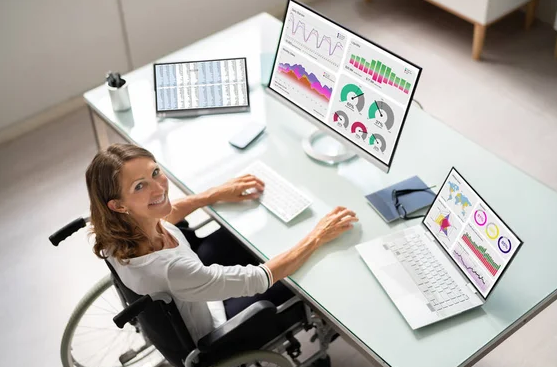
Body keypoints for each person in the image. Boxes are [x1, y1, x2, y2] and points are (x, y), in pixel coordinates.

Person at [85, 143, 358, 342]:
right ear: (118, 204)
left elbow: (167, 213)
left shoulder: (113, 231)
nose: (159, 188)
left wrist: (215, 194)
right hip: (216, 324)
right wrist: (318, 235)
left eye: (155, 172)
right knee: (302, 277)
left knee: (240, 238)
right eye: (140, 186)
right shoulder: (170, 268)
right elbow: (258, 277)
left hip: (189, 288)